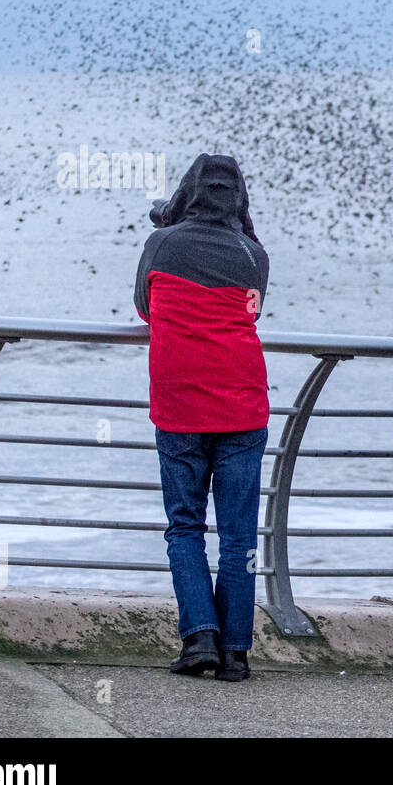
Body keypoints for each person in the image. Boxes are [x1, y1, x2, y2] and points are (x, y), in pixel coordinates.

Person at [134, 153, 270, 682]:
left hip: (180, 404)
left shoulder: (161, 245)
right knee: (238, 536)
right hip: (242, 401)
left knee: (184, 526)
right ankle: (235, 651)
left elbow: (146, 307)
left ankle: (199, 642)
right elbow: (251, 312)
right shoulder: (254, 253)